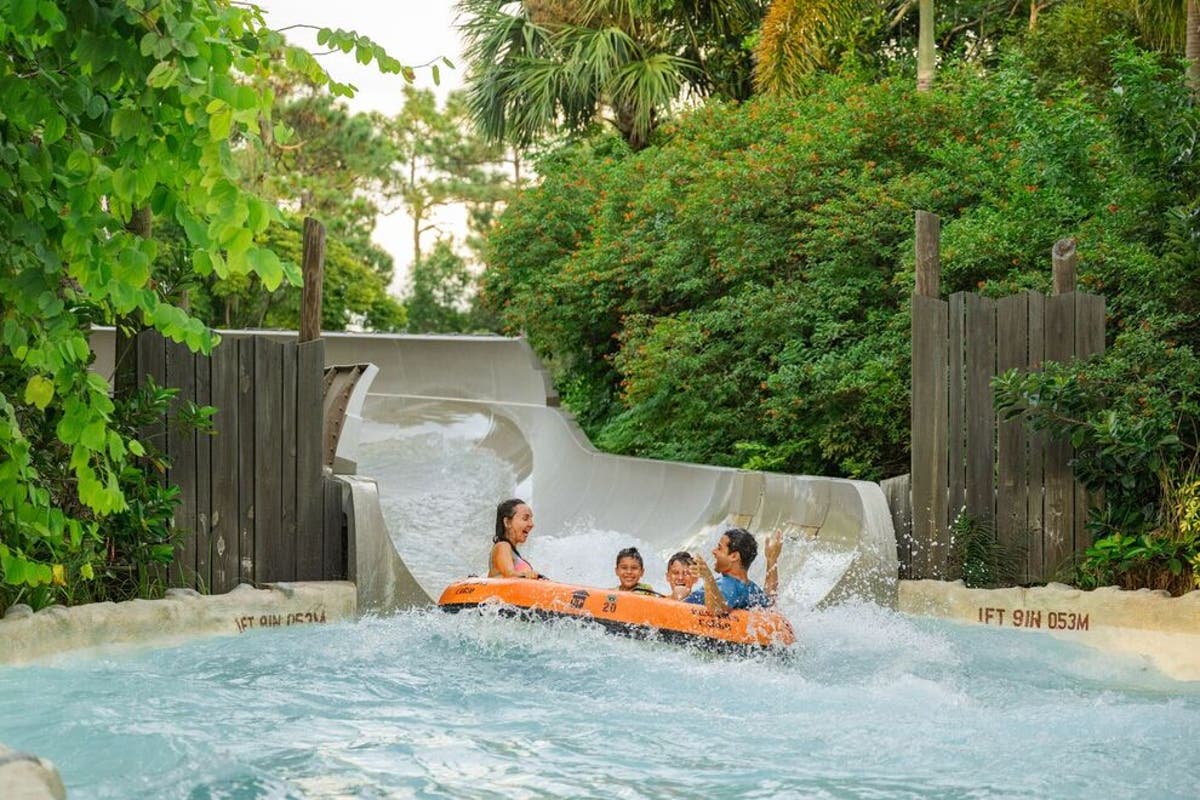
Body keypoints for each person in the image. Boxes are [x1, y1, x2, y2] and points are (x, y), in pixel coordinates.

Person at [685, 527, 782, 614]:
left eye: (720, 548)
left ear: (734, 556)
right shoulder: (751, 588)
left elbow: (718, 610)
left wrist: (708, 578)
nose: (714, 551)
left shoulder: (727, 584)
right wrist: (772, 559)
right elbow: (770, 603)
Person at [489, 498, 541, 579]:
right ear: (507, 522)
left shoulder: (514, 554)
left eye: (531, 519)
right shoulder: (502, 546)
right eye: (525, 518)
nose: (531, 524)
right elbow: (510, 575)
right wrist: (527, 574)